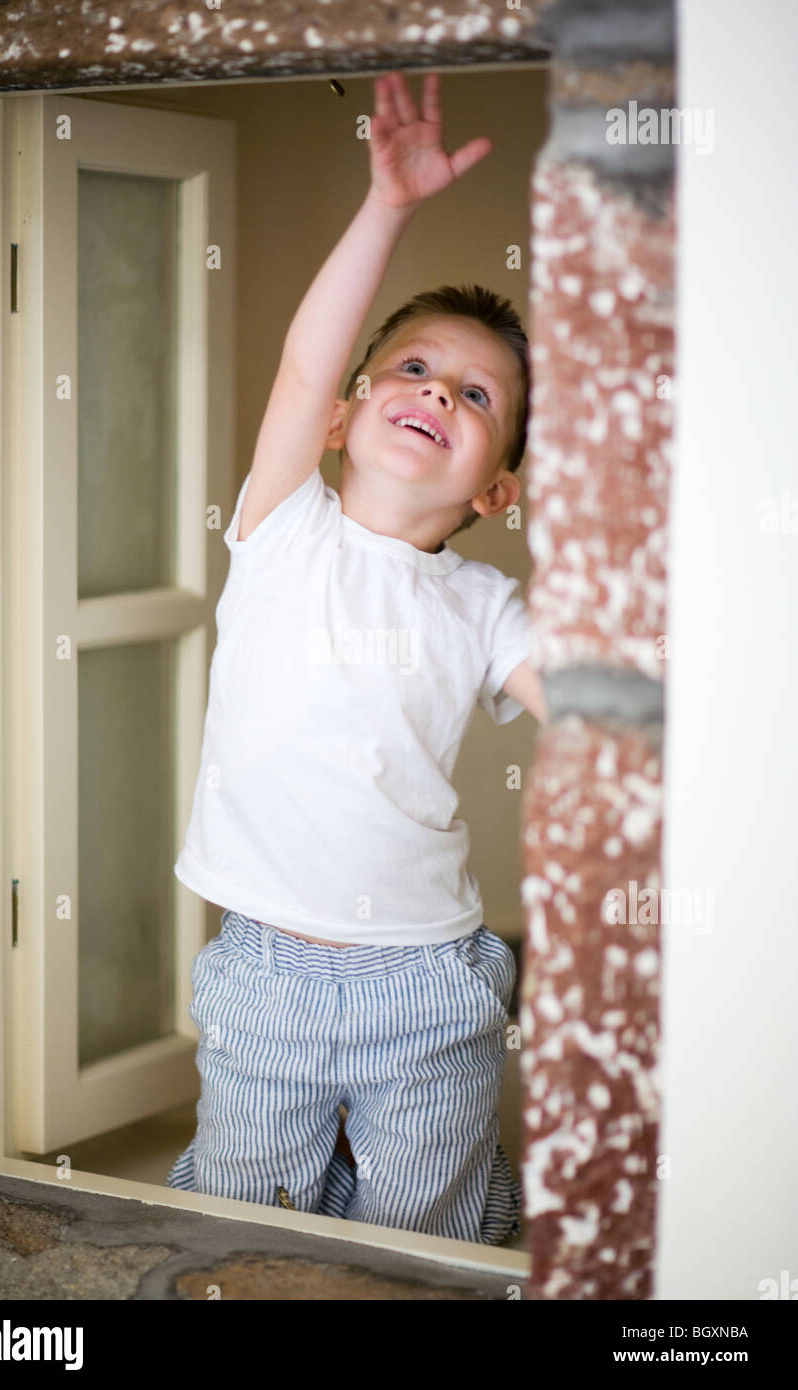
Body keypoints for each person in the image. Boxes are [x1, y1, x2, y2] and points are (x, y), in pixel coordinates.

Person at [166, 70, 547, 1246]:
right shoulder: (283, 525)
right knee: (240, 1222)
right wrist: (384, 207)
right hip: (264, 969)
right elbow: (299, 360)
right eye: (414, 369)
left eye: (475, 393)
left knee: (415, 1240)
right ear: (344, 414)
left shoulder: (486, 604)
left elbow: (591, 706)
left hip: (429, 984)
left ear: (494, 486)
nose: (435, 390)